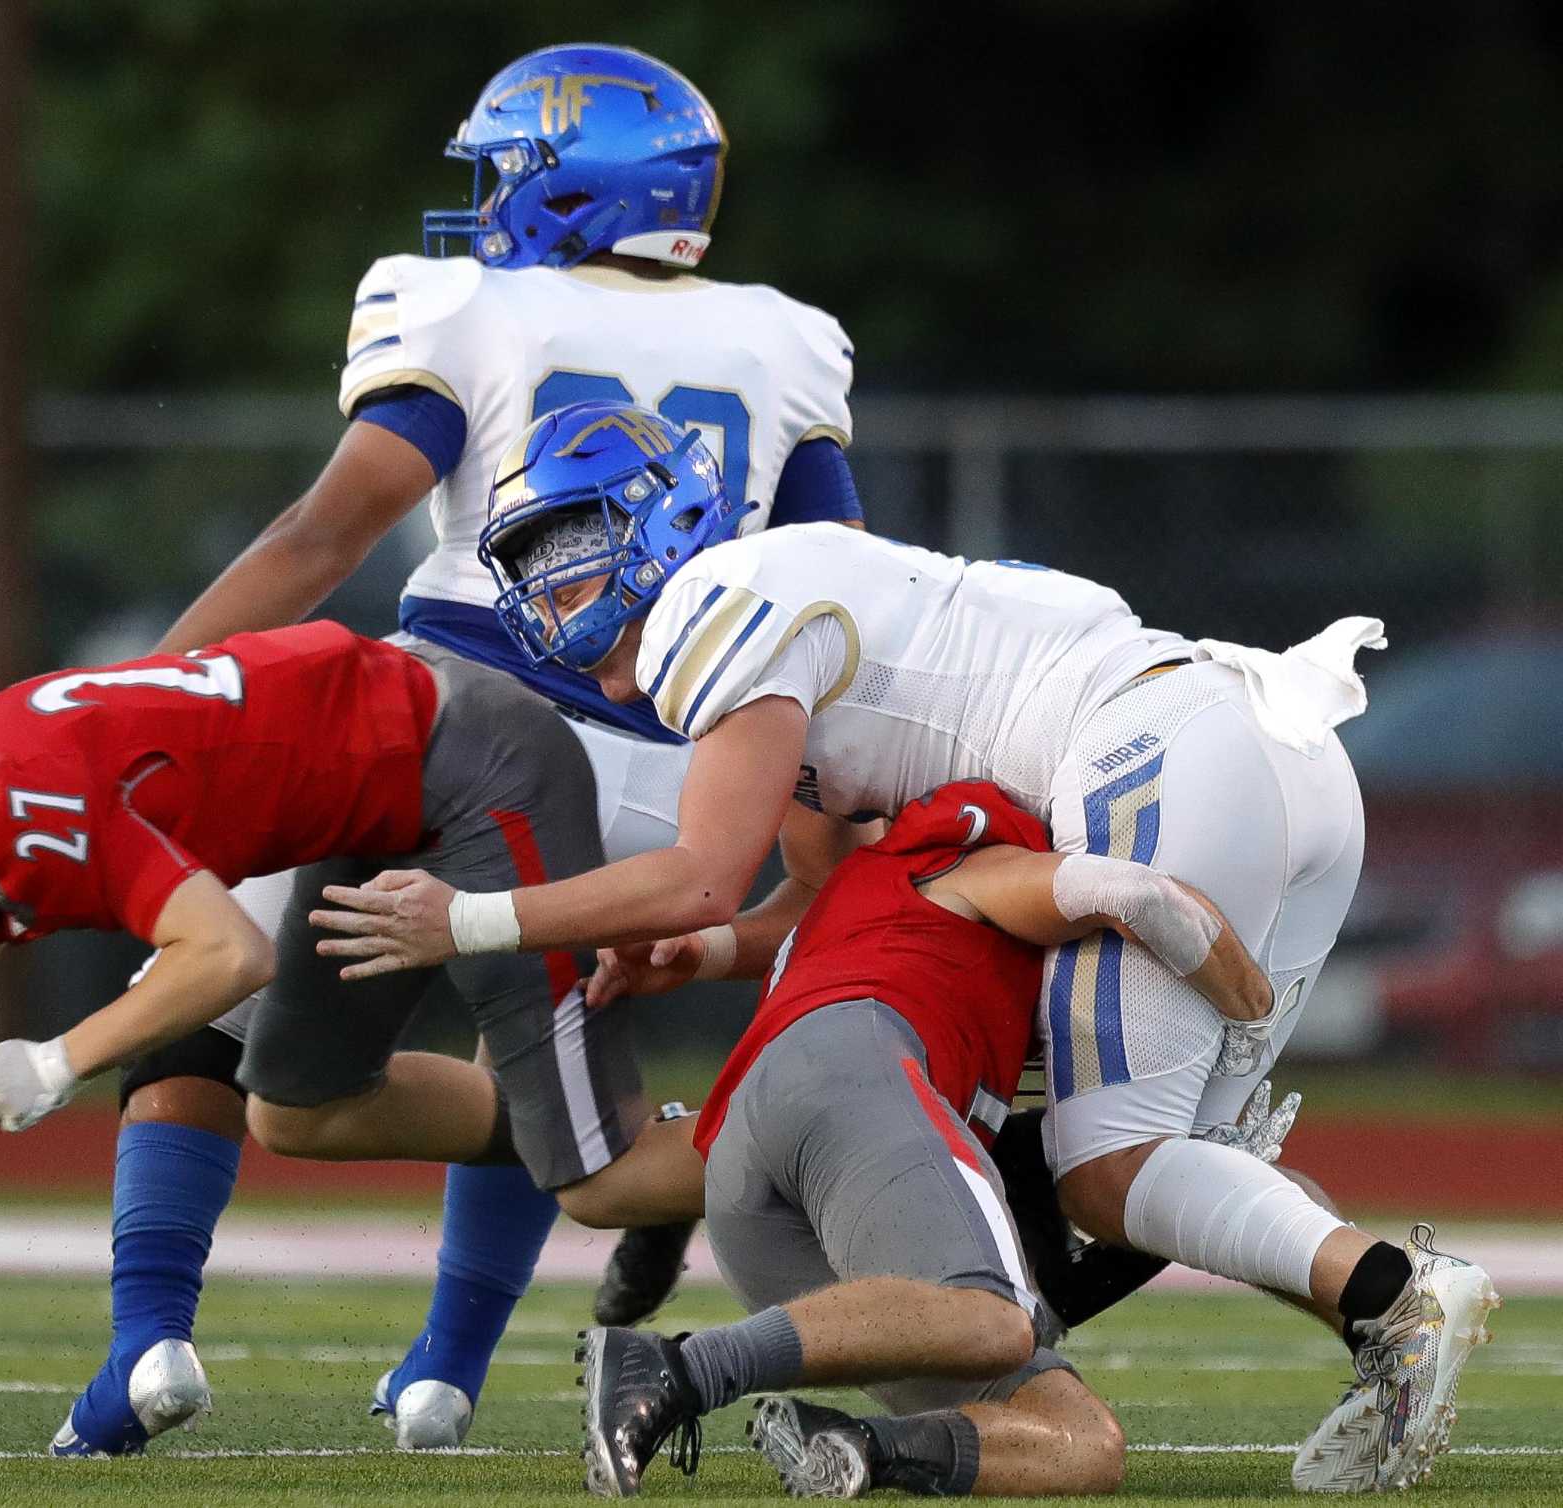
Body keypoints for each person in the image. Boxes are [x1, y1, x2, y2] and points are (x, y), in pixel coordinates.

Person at [313, 400, 1502, 1494]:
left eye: (571, 536)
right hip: (1268, 755)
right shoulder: (795, 620)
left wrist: (464, 916)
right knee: (1172, 1156)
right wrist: (706, 950)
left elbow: (695, 871)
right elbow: (818, 899)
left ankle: (1399, 1292)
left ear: (663, 516)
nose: (546, 576)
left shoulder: (708, 604)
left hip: (1150, 754)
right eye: (527, 555)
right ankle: (1373, 1324)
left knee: (1109, 1167)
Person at [139, 41, 867, 1447]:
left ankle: (154, 1337)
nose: (485, 200)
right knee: (545, 1070)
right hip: (678, 782)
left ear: (570, 184)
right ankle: (450, 1367)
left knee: (234, 1012)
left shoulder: (467, 305)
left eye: (508, 169)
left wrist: (148, 697)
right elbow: (842, 572)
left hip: (458, 738)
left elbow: (327, 531)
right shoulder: (785, 336)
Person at [0, 621, 700, 1457]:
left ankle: (698, 1152)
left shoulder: (20, 806)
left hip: (475, 766)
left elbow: (227, 955)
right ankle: (617, 1128)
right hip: (377, 790)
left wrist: (59, 1061)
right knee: (299, 1109)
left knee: (595, 1182)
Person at [579, 778, 1283, 1499]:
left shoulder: (866, 907)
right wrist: (1258, 1022)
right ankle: (684, 1369)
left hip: (752, 1171)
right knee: (993, 1316)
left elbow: (1040, 1301)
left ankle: (861, 1448)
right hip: (856, 1066)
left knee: (1079, 1441)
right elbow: (1136, 897)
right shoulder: (968, 863)